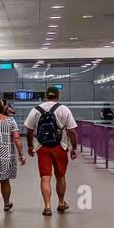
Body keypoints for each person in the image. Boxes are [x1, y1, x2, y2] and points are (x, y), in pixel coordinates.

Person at [25, 87, 79, 216]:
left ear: (45, 96)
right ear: (57, 96)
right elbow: (72, 131)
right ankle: (61, 203)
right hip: (60, 146)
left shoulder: (36, 110)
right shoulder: (64, 109)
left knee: (45, 177)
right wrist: (74, 148)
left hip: (42, 147)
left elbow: (29, 130)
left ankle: (47, 206)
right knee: (60, 176)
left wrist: (29, 146)